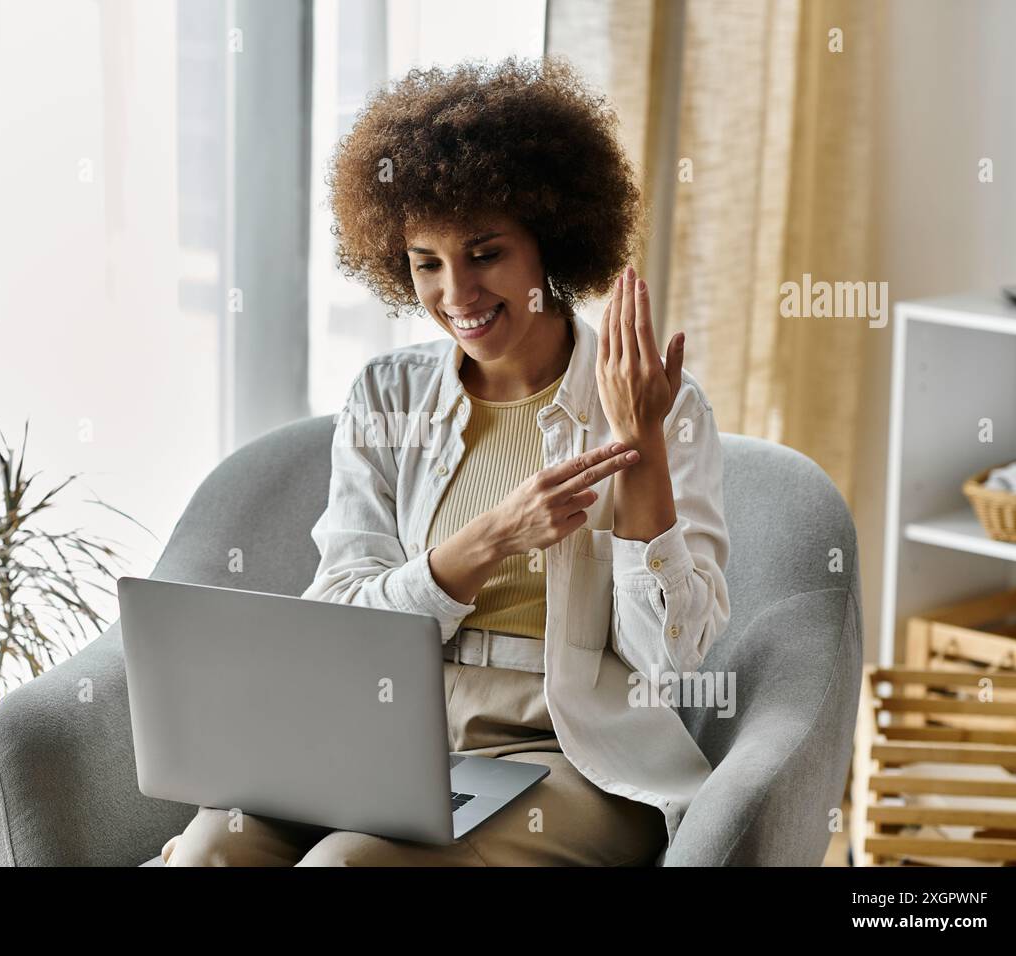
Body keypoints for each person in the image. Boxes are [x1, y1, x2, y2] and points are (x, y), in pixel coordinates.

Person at [165, 54, 730, 866]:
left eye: (485, 252)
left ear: (553, 243)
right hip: (386, 735)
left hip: (568, 757)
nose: (456, 293)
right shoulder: (387, 396)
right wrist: (486, 540)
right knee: (212, 848)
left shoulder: (661, 407)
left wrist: (640, 447)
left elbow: (669, 661)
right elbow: (341, 623)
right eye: (427, 263)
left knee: (347, 865)